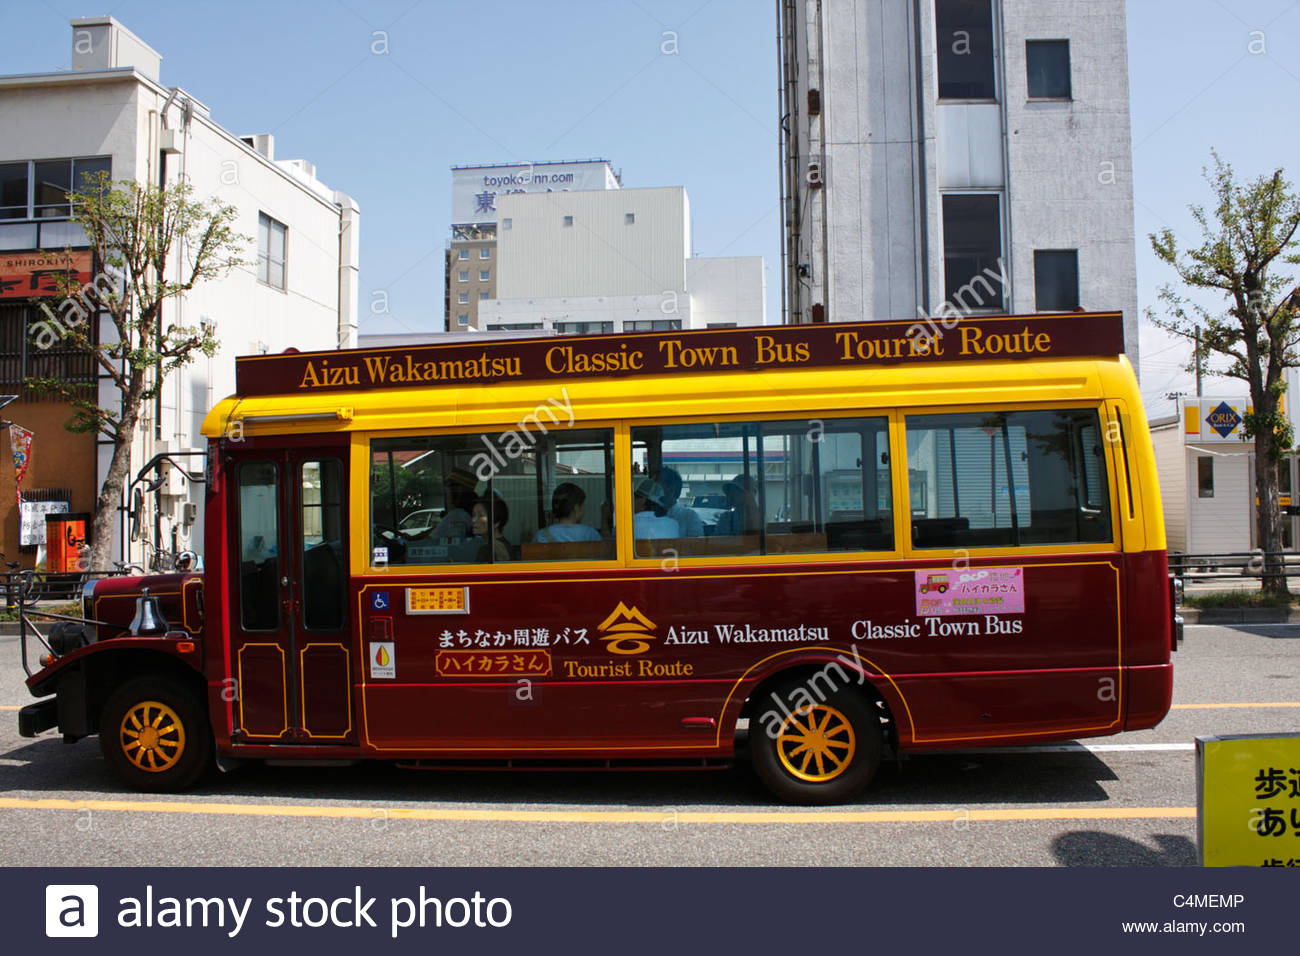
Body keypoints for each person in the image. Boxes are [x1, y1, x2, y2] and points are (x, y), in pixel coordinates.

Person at [534, 482, 601, 543]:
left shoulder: (542, 536)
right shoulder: (591, 535)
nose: (584, 510)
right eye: (583, 505)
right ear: (576, 508)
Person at [429, 467, 478, 542]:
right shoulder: (467, 512)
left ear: (458, 489)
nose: (447, 492)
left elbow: (430, 540)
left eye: (449, 487)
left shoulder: (457, 515)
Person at [656, 467, 703, 537]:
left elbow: (696, 545)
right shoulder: (646, 516)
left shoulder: (690, 517)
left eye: (656, 487)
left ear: (672, 490)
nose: (652, 491)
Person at [471, 493, 512, 563]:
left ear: (496, 522)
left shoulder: (489, 548)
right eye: (473, 515)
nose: (473, 520)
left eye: (480, 515)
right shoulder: (504, 544)